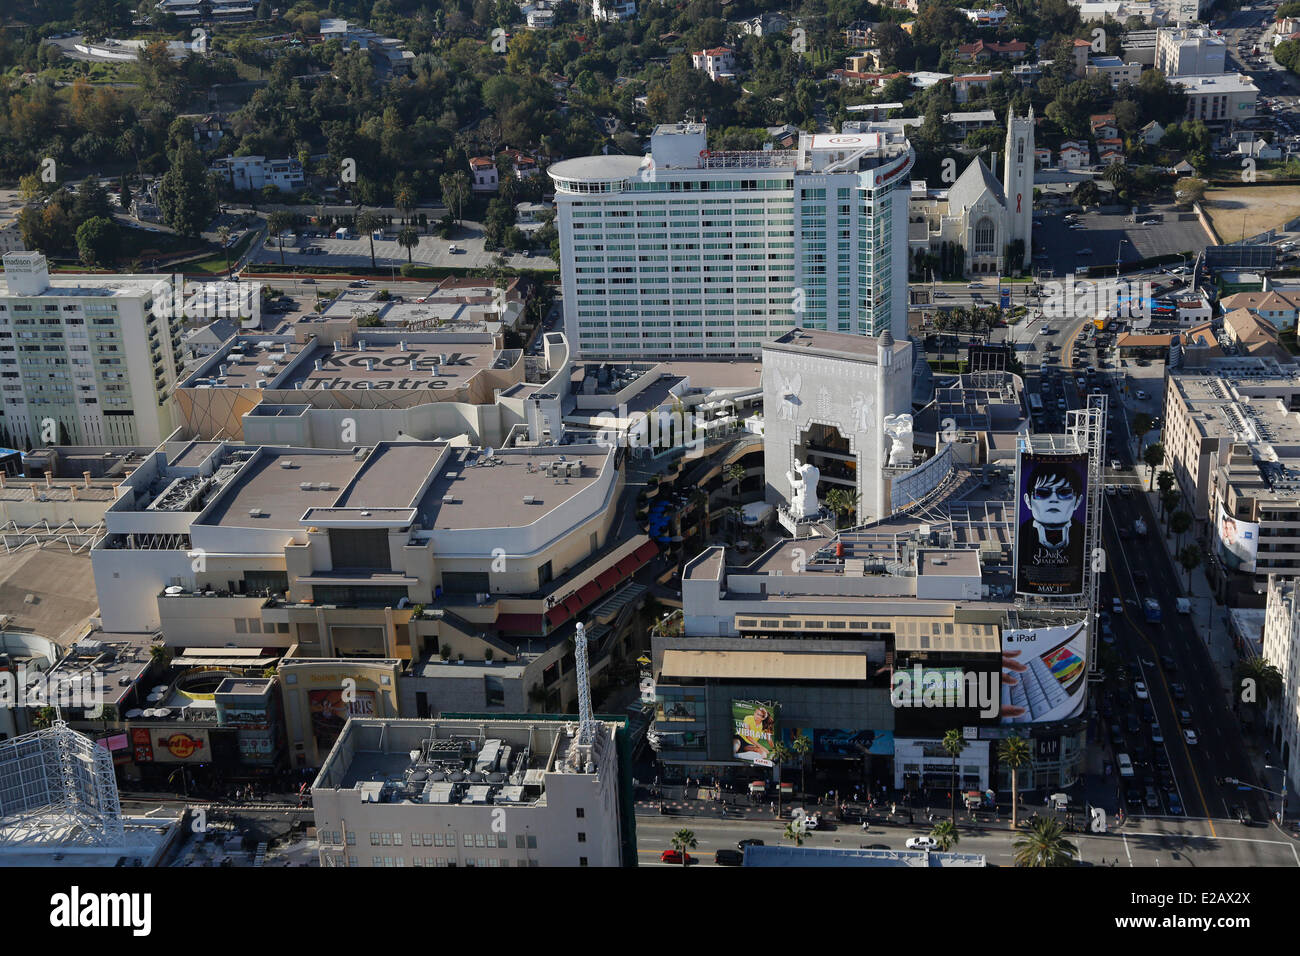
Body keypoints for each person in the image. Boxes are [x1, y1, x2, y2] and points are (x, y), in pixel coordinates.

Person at [1017, 458, 1087, 594]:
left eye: (1064, 493)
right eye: (1043, 493)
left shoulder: (1086, 537)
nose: (1053, 499)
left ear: (1078, 501)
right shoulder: (1020, 537)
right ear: (1028, 501)